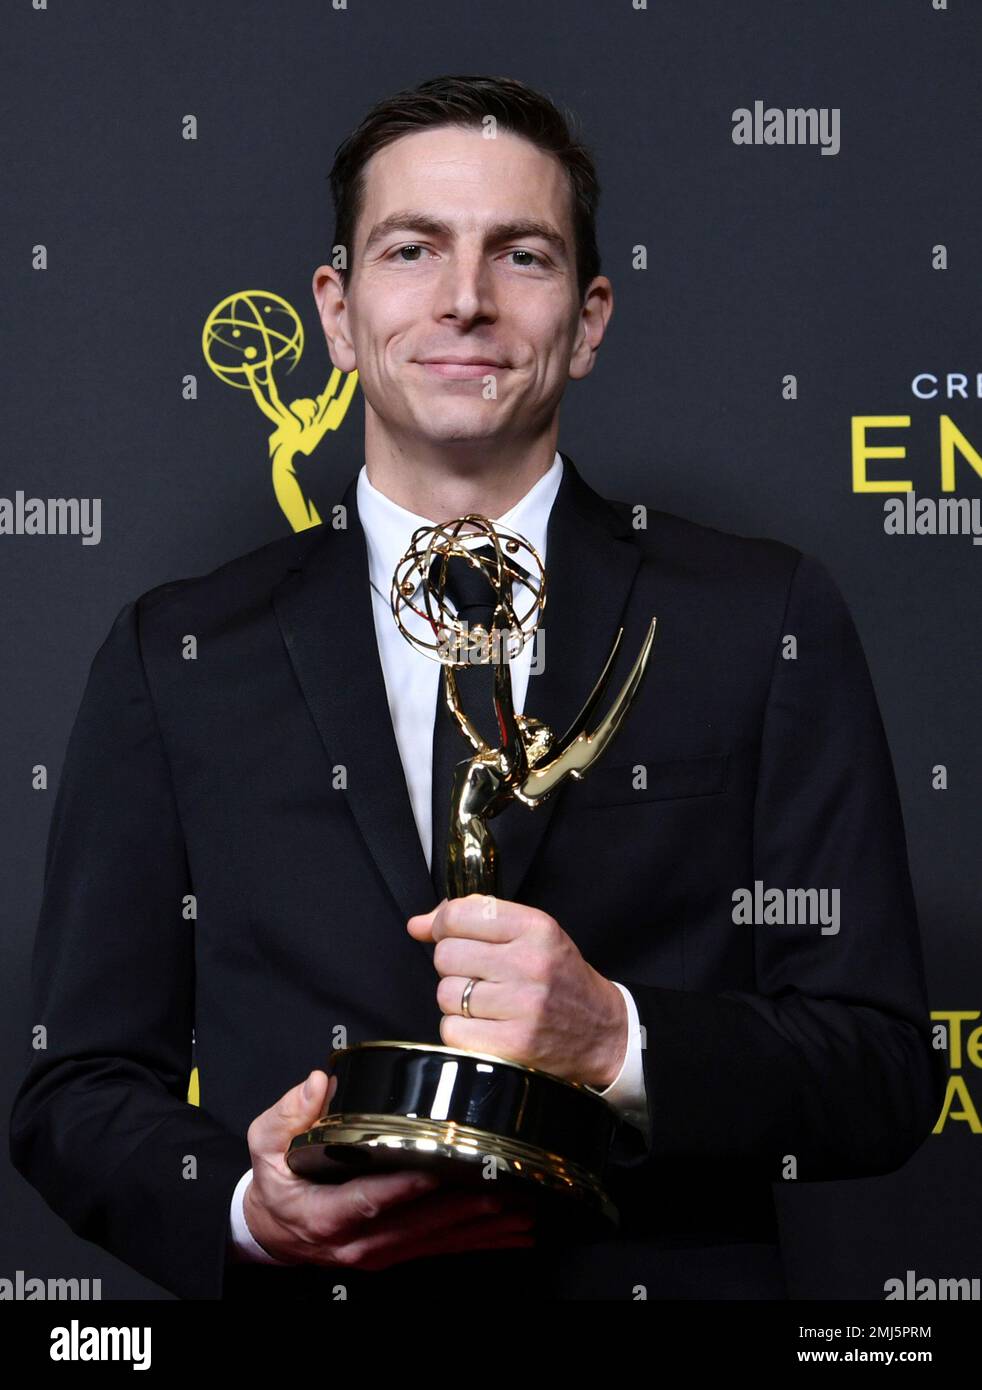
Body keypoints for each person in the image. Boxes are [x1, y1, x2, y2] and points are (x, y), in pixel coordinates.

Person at [9, 74, 945, 1301]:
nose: (465, 299)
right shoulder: (180, 653)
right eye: (412, 250)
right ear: (337, 316)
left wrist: (617, 1037)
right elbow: (73, 1090)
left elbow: (879, 1070)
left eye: (522, 254)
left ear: (591, 315)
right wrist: (245, 1208)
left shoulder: (756, 619)